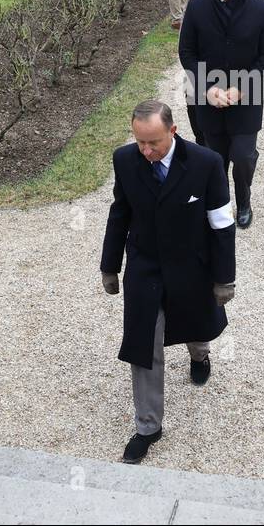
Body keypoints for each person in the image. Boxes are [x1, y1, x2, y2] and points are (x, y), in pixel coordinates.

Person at [100, 99, 236, 464]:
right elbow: (120, 212)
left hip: (192, 265)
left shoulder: (208, 163)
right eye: (140, 142)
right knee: (144, 343)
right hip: (144, 267)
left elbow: (222, 224)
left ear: (173, 131)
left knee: (193, 321)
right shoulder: (125, 160)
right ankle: (148, 426)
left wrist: (225, 279)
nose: (146, 150)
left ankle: (200, 354)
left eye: (154, 143)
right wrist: (109, 265)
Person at [179, 0, 264, 229]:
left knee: (243, 156)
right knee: (215, 157)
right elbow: (187, 52)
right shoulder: (197, 7)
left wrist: (243, 88)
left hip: (246, 96)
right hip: (209, 97)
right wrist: (207, 89)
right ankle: (219, 204)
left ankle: (244, 200)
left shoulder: (259, 9)